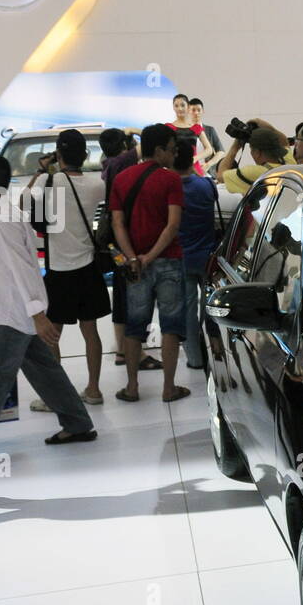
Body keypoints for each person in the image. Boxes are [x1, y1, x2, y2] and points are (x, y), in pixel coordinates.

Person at [0, 153, 97, 464]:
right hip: (8, 307)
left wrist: (37, 313)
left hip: (15, 312)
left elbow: (21, 267)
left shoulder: (2, 217)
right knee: (45, 370)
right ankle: (78, 423)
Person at [25, 129, 111, 408]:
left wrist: (40, 171)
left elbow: (23, 203)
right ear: (85, 155)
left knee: (52, 336)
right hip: (87, 267)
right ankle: (94, 390)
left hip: (58, 270)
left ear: (58, 155)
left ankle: (56, 397)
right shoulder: (96, 185)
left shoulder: (47, 182)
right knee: (91, 332)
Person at [110, 123, 189, 403]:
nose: (174, 154)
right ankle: (169, 388)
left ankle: (132, 387)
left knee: (134, 326)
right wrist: (151, 256)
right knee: (170, 326)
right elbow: (173, 225)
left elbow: (117, 223)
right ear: (159, 150)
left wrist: (134, 257)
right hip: (167, 261)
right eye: (171, 149)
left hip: (135, 266)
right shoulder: (171, 180)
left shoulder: (122, 179)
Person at [100, 128, 161, 374]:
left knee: (122, 293)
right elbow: (147, 143)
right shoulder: (121, 161)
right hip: (126, 238)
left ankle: (122, 350)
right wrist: (134, 132)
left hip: (114, 242)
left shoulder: (107, 164)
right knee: (134, 294)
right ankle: (137, 352)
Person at [172, 135, 220, 369]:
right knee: (211, 308)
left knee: (188, 312)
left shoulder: (169, 190)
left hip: (181, 259)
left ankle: (195, 359)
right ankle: (218, 353)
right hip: (207, 256)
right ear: (192, 159)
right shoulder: (207, 185)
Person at [217, 122, 291, 196]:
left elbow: (220, 176)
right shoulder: (290, 161)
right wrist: (262, 123)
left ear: (257, 153)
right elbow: (285, 142)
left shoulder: (254, 172)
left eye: (251, 150)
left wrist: (235, 146)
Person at [167, 93, 214, 177]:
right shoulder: (168, 127)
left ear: (188, 107)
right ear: (173, 108)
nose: (179, 108)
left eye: (182, 105)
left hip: (193, 168)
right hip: (174, 168)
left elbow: (209, 149)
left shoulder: (196, 127)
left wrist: (195, 158)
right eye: (176, 106)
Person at [188, 97, 225, 171]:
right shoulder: (184, 131)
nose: (196, 113)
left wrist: (209, 164)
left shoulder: (210, 130)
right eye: (193, 110)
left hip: (208, 172)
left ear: (203, 111)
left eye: (199, 110)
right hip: (190, 172)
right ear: (188, 111)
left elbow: (221, 151)